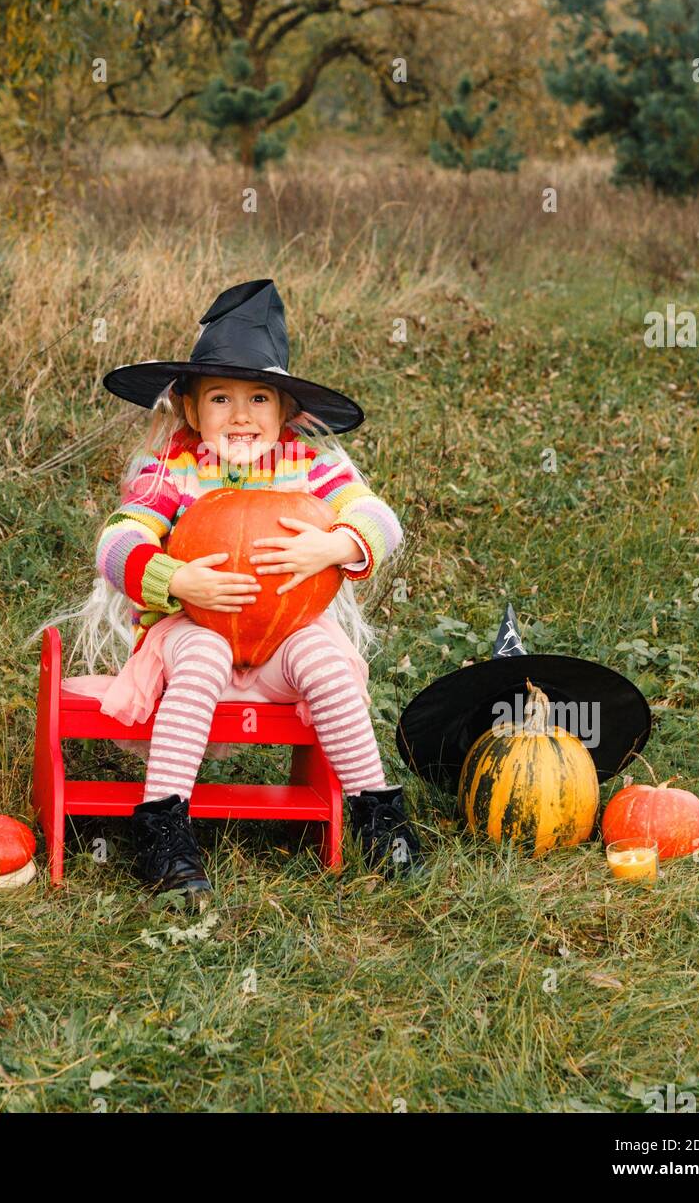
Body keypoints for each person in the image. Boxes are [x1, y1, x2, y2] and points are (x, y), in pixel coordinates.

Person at [45, 279, 425, 898]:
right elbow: (115, 543)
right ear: (192, 410)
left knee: (327, 659)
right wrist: (176, 577)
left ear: (285, 413)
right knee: (204, 653)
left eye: (258, 399)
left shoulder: (310, 467)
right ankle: (165, 828)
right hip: (191, 634)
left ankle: (377, 816)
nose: (241, 415)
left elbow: (380, 519)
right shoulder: (173, 469)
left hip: (284, 638)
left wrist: (336, 544)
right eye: (221, 398)